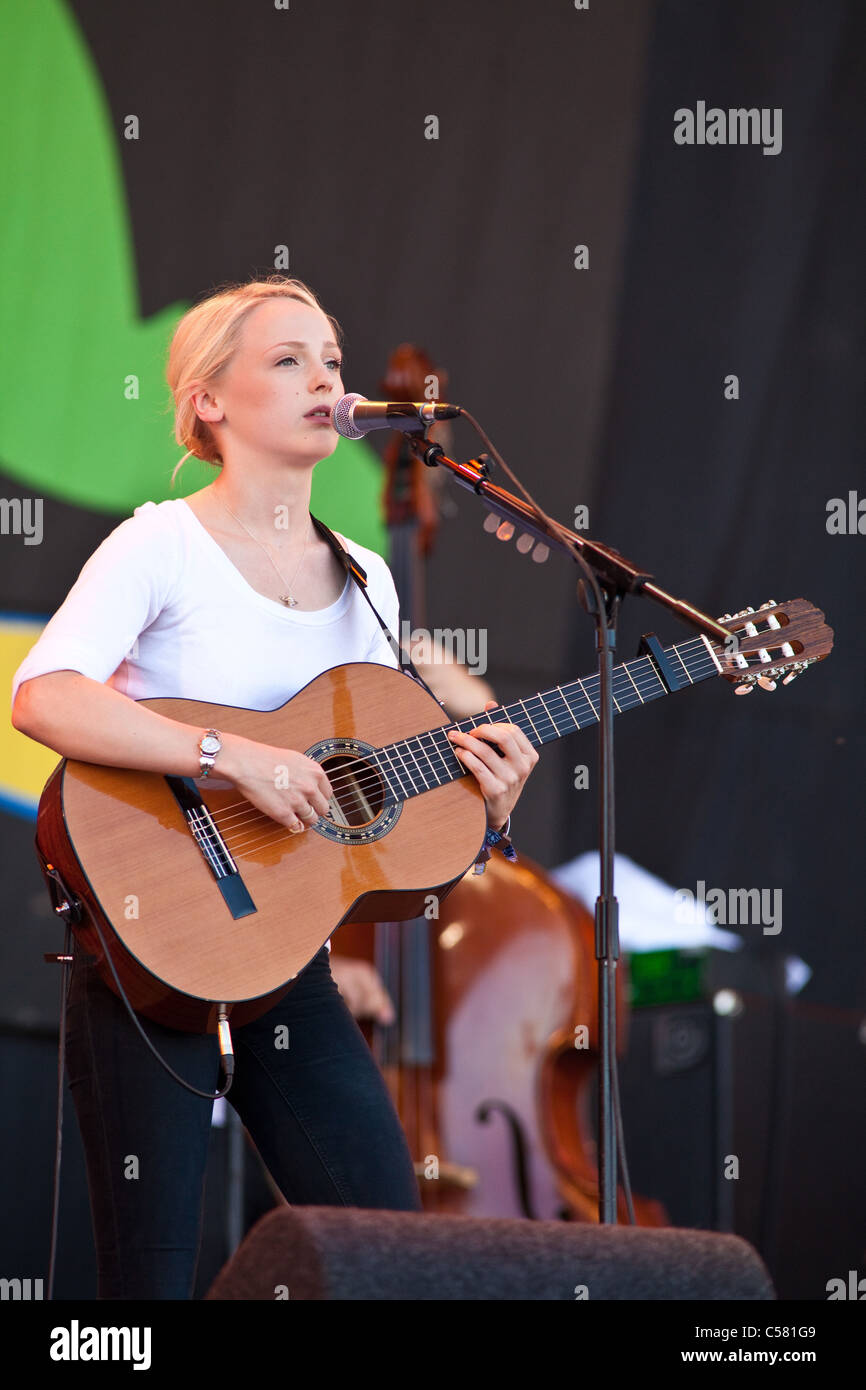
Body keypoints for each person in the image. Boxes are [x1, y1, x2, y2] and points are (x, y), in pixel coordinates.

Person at [10, 274, 539, 1300]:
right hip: (148, 936)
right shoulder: (162, 541)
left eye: (332, 360)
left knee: (385, 1253)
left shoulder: (364, 580)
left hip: (286, 957)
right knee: (148, 1290)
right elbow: (43, 699)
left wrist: (488, 806)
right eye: (288, 359)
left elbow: (383, 806)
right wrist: (228, 754)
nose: (325, 379)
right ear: (209, 400)